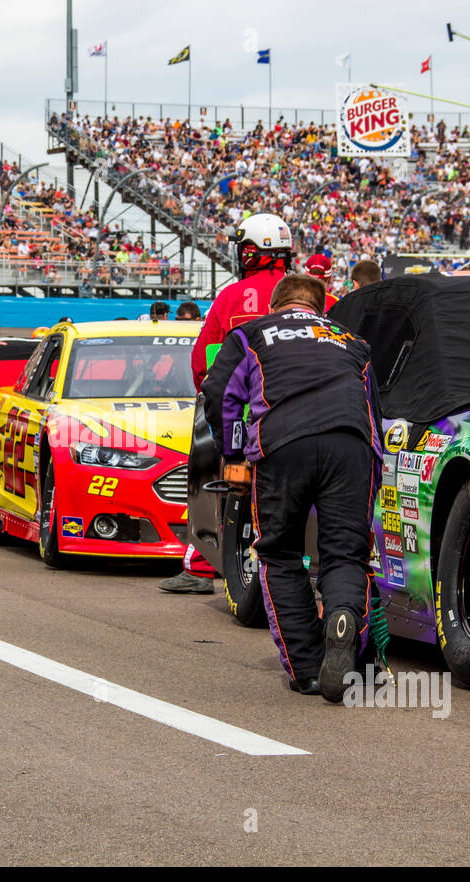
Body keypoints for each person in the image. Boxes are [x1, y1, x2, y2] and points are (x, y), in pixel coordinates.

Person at [202, 274, 383, 700]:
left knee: (279, 552)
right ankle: (340, 621)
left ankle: (308, 668)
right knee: (346, 553)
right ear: (320, 309)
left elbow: (219, 392)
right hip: (351, 443)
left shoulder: (251, 333)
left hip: (283, 443)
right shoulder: (351, 340)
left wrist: (232, 457)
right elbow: (375, 406)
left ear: (274, 305)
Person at [160, 211, 293, 595]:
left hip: (246, 417)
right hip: (303, 417)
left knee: (207, 479)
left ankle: (200, 566)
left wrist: (218, 405)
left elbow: (203, 361)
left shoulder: (232, 296)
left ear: (250, 254)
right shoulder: (314, 295)